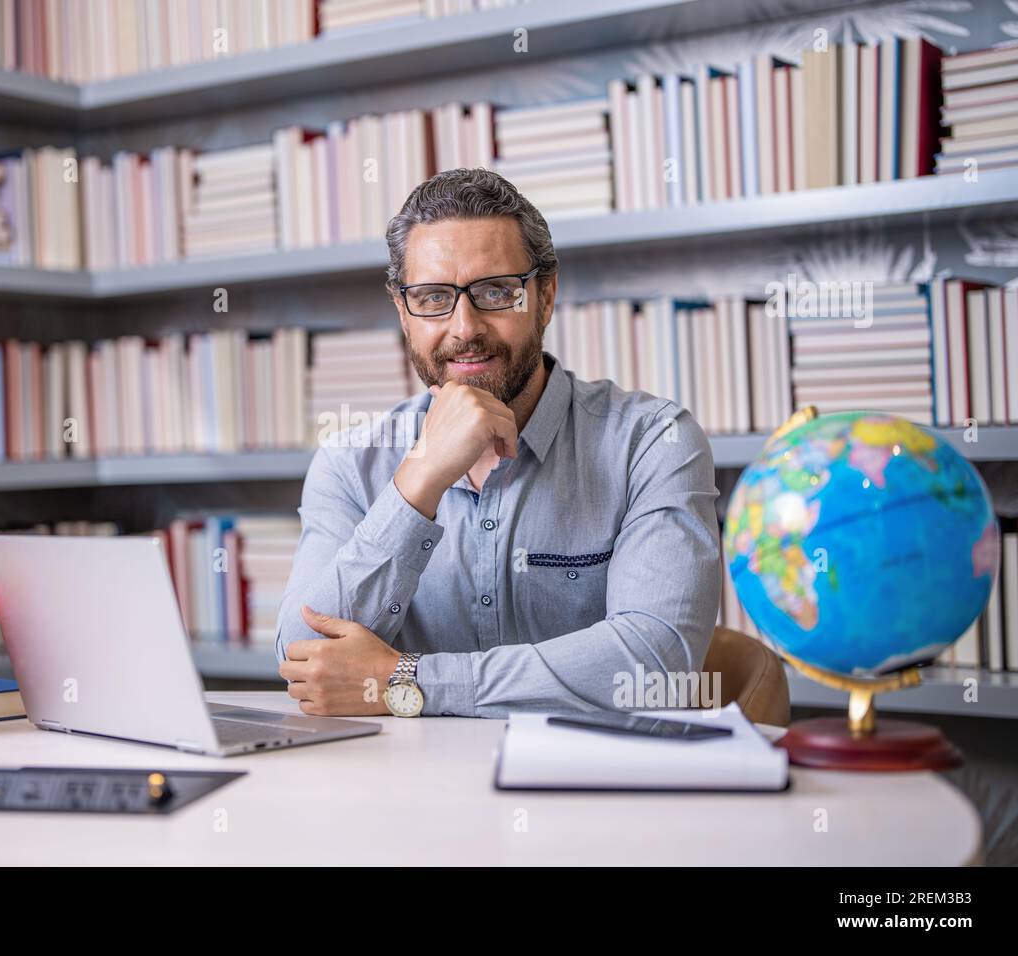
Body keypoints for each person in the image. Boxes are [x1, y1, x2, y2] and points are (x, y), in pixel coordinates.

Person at [275, 167, 721, 718]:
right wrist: (418, 482)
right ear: (403, 312)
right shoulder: (349, 464)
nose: (464, 327)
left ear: (546, 295)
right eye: (434, 298)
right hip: (402, 795)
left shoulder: (654, 442)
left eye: (495, 292)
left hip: (596, 796)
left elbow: (659, 663)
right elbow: (302, 658)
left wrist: (407, 682)